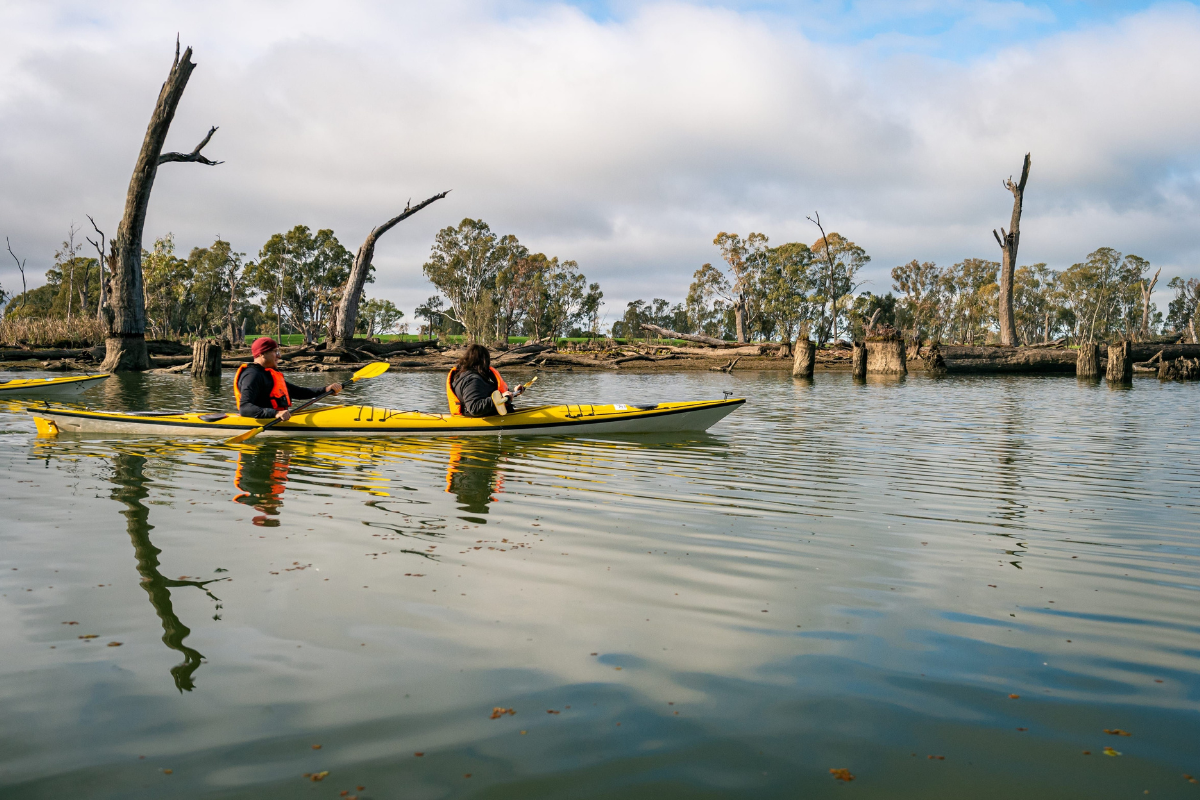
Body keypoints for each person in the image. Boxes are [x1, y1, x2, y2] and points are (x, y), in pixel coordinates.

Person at [235, 337, 342, 420]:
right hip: (264, 421)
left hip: (277, 418)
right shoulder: (252, 375)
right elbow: (245, 408)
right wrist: (276, 413)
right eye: (275, 352)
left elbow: (297, 392)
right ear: (262, 354)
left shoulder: (268, 373)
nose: (279, 356)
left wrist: (325, 390)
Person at [446, 343, 526, 417]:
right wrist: (500, 397)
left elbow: (487, 395)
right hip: (479, 421)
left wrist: (514, 392)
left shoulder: (472, 377)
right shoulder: (472, 380)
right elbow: (474, 408)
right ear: (484, 361)